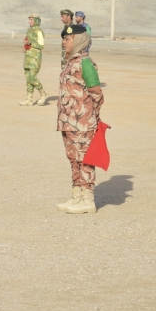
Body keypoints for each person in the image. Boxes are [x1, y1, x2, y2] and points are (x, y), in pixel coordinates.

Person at [56, 24, 104, 214]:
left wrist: (91, 115)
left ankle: (88, 199)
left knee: (85, 160)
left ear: (78, 41)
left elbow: (96, 92)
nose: (64, 42)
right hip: (68, 122)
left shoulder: (85, 63)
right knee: (73, 160)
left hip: (83, 122)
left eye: (67, 39)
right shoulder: (70, 62)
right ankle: (77, 196)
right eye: (64, 39)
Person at [20, 15, 46, 106]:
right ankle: (29, 98)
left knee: (33, 78)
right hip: (28, 57)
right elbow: (27, 41)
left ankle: (43, 94)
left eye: (31, 20)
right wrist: (25, 47)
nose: (29, 21)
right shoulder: (29, 30)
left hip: (35, 58)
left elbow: (41, 45)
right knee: (28, 78)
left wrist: (31, 43)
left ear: (36, 21)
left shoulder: (39, 31)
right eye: (29, 20)